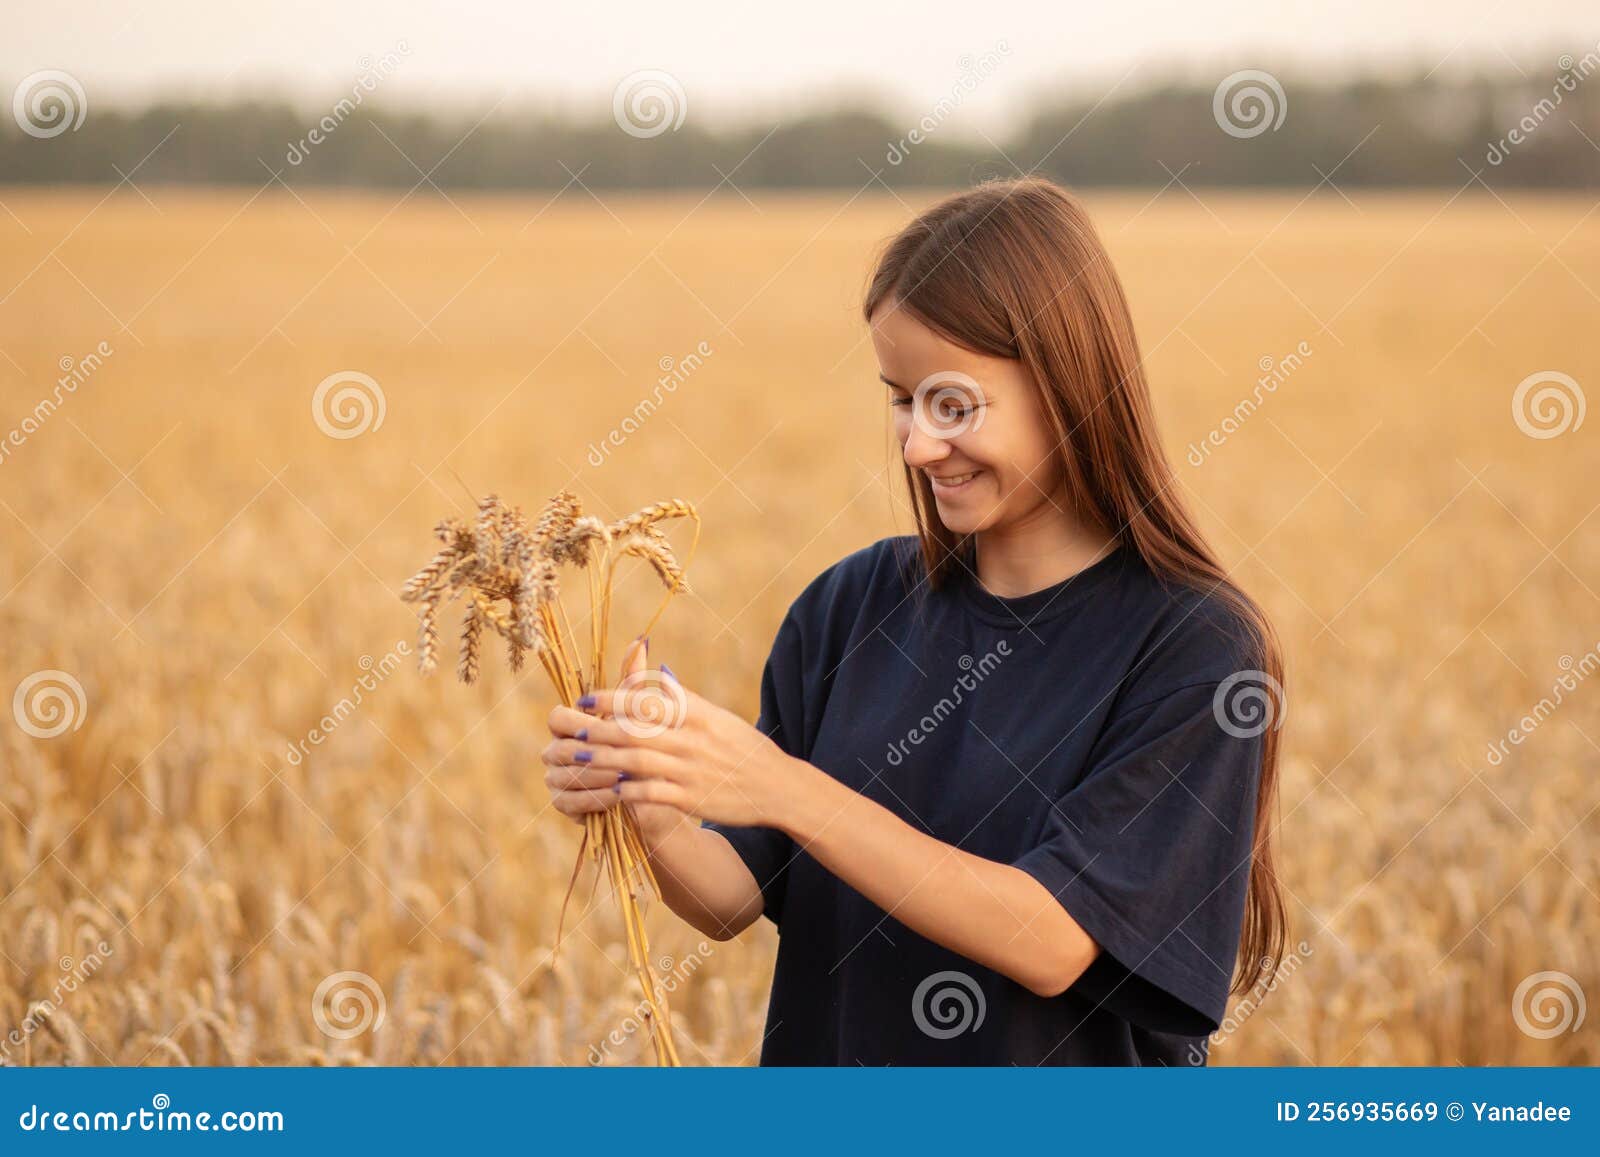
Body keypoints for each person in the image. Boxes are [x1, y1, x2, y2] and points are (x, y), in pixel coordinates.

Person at [541, 177, 1287, 1065]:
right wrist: (655, 806)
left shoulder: (1194, 646)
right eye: (900, 397)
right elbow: (736, 896)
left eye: (955, 404)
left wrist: (780, 783)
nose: (917, 445)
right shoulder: (850, 605)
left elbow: (1052, 940)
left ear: (1069, 382)